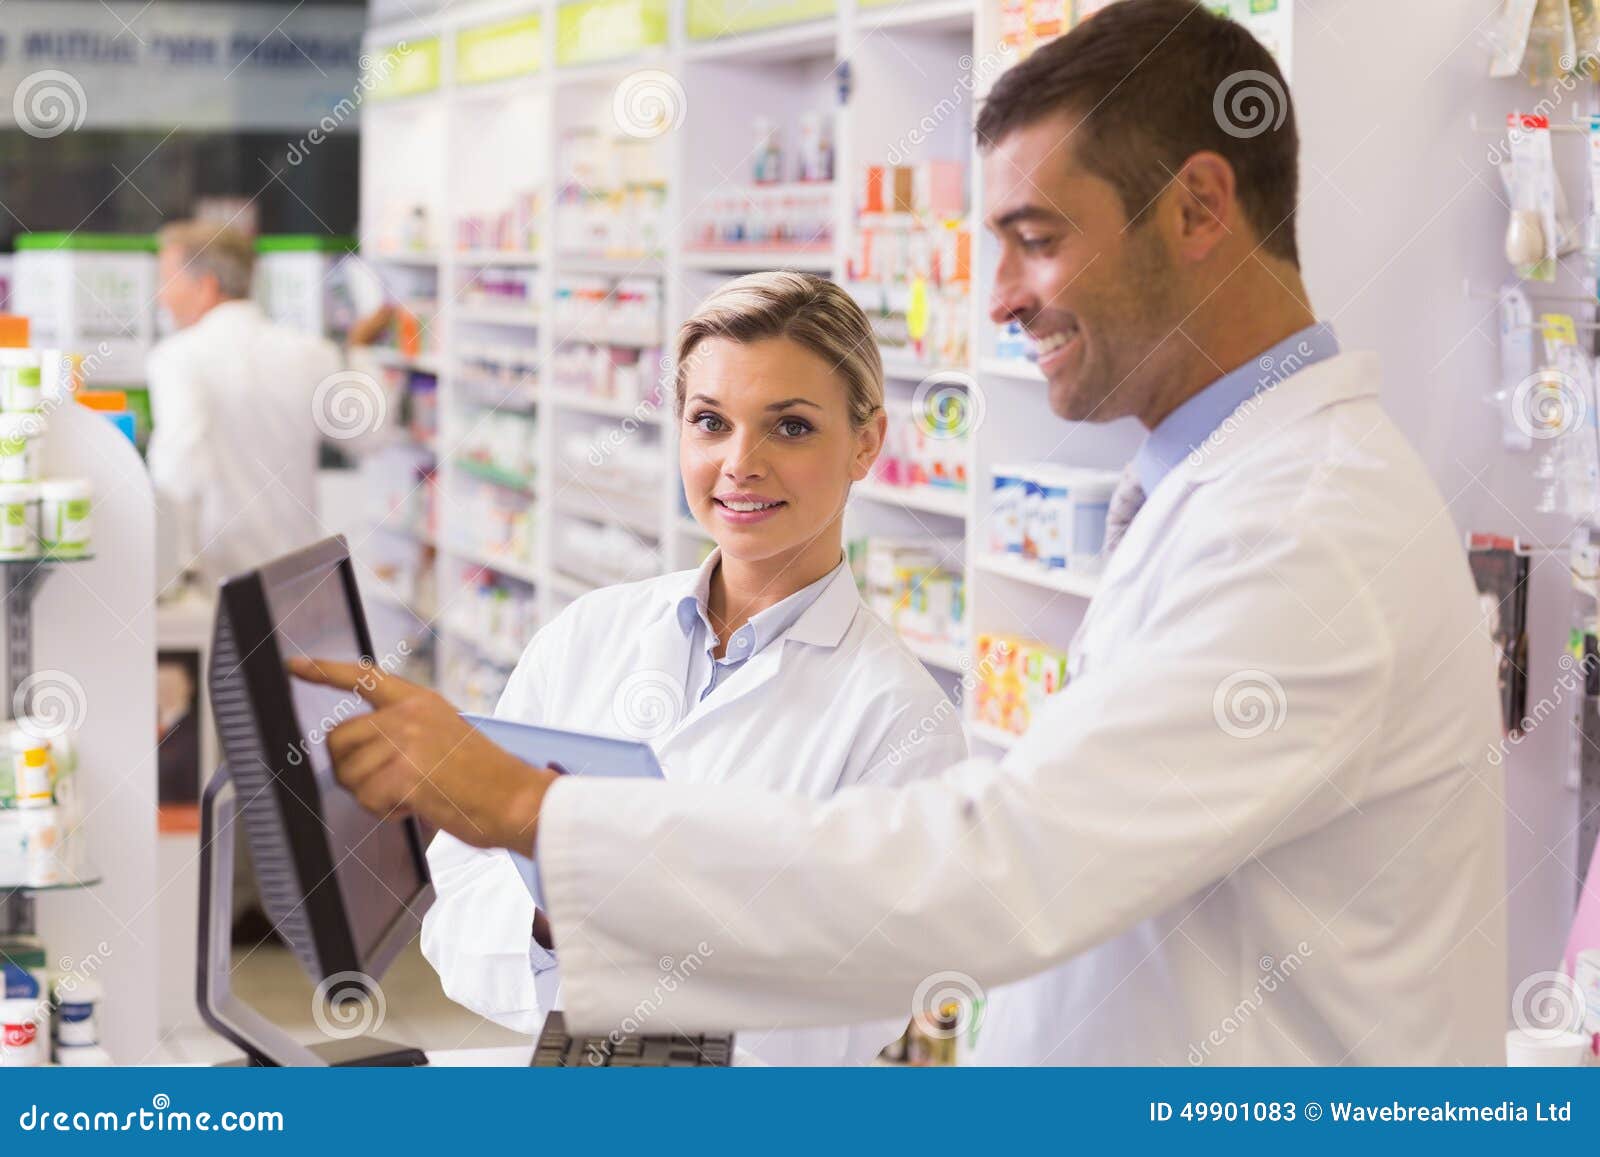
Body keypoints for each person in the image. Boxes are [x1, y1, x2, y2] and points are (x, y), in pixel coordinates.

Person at [293, 0, 1506, 1064]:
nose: (1000, 296)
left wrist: (529, 810)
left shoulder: (1304, 526)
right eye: (707, 420)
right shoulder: (1235, 487)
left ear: (1196, 206)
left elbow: (1001, 869)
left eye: (1038, 236)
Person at [417, 272, 967, 1064]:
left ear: (867, 443)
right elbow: (458, 893)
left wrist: (647, 918)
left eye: (791, 428)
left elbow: (864, 1008)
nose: (740, 464)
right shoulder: (585, 635)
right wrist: (550, 916)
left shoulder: (901, 722)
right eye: (710, 421)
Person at [147, 220, 341, 590]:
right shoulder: (312, 353)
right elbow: (369, 437)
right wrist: (362, 355)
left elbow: (178, 473)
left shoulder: (178, 358)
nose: (161, 297)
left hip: (221, 581)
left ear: (206, 286)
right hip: (300, 576)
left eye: (167, 281)